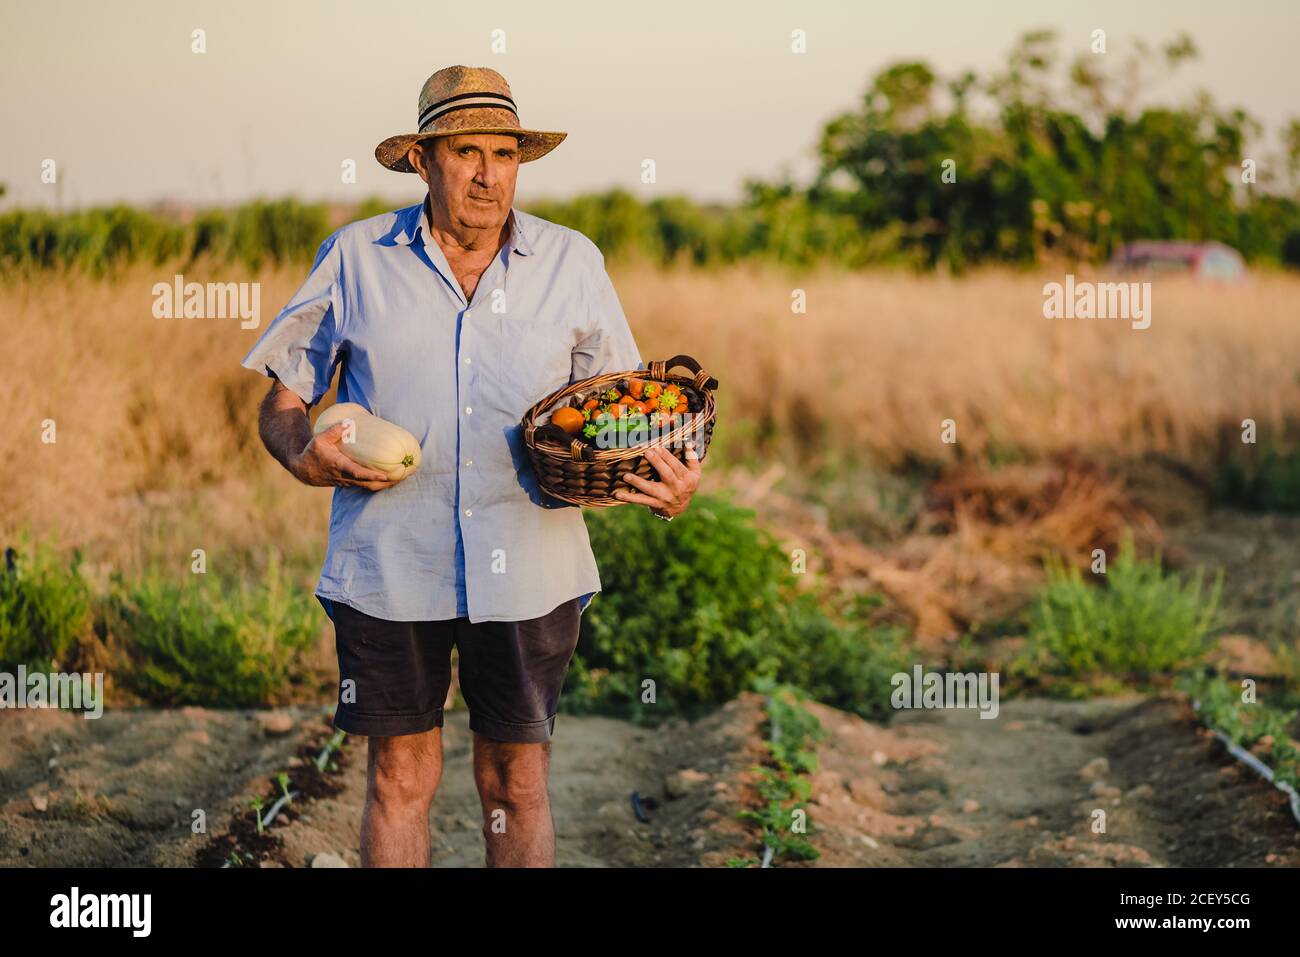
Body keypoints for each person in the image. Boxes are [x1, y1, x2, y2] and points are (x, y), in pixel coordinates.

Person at [240, 65, 701, 867]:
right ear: (423, 161)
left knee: (516, 781)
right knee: (398, 777)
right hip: (391, 561)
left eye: (505, 152)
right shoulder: (355, 257)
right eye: (466, 152)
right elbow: (283, 404)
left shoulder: (573, 262)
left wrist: (668, 486)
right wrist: (305, 459)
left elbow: (633, 413)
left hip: (530, 563)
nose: (489, 174)